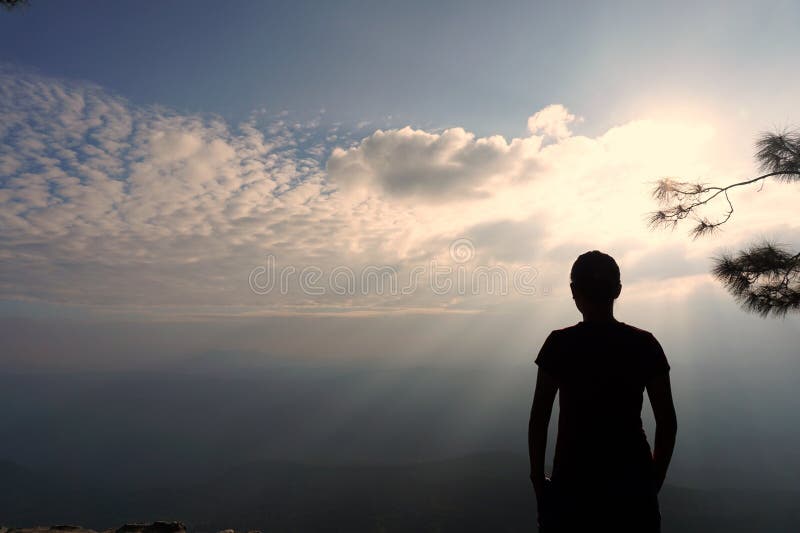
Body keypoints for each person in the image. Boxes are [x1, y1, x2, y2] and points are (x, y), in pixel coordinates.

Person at [528, 251, 677, 532]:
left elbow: (539, 418)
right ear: (618, 290)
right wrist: (652, 481)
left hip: (571, 487)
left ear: (573, 291)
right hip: (632, 487)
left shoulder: (559, 344)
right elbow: (667, 422)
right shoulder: (645, 344)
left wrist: (539, 482)